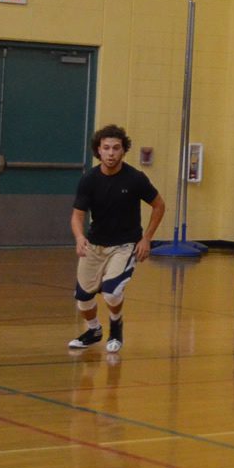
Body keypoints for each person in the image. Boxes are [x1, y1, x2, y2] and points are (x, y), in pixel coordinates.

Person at [68, 124, 166, 355]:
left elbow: (159, 205)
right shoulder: (89, 180)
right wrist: (80, 236)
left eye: (116, 148)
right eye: (106, 148)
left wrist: (146, 238)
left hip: (125, 245)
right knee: (82, 296)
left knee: (111, 291)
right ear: (98, 151)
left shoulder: (135, 179)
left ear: (123, 150)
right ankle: (93, 331)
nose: (111, 153)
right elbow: (77, 215)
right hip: (95, 244)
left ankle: (116, 326)